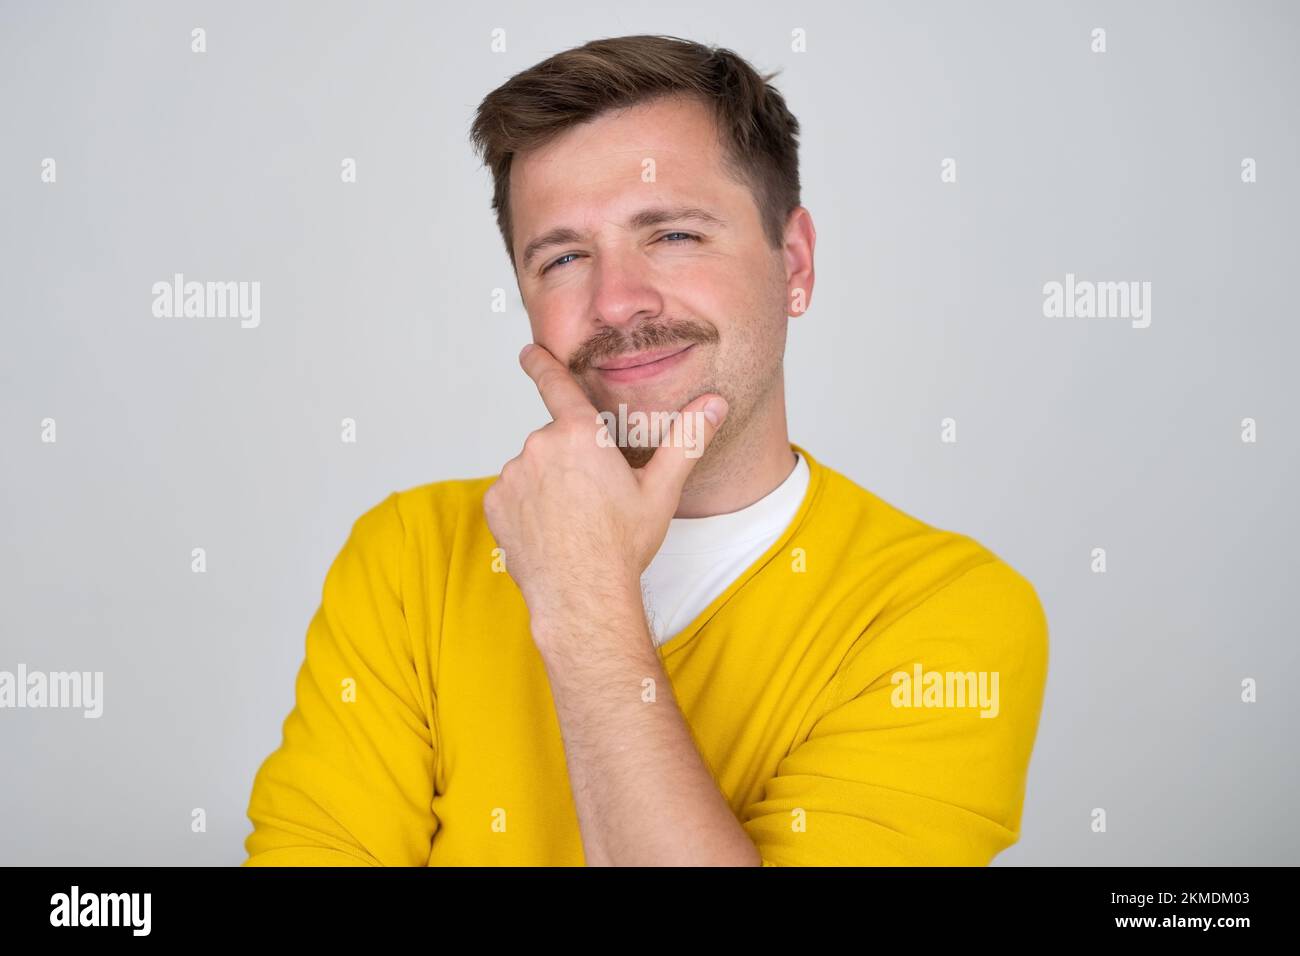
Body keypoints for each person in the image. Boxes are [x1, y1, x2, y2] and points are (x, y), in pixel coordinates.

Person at [242, 34, 1048, 866]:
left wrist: (584, 598)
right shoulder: (412, 557)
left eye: (672, 236)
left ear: (795, 262)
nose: (618, 302)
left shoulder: (948, 616)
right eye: (563, 257)